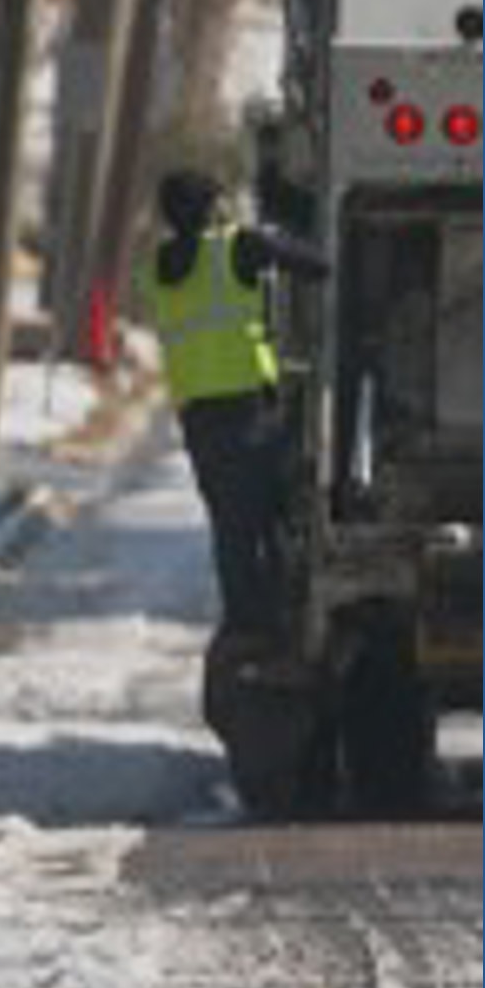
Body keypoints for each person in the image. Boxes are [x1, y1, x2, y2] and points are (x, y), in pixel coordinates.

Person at [144, 166, 326, 640]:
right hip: (249, 415)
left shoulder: (158, 268)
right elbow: (318, 266)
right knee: (281, 518)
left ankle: (249, 622)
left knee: (232, 528)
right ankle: (270, 623)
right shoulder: (237, 248)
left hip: (200, 421)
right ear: (210, 207)